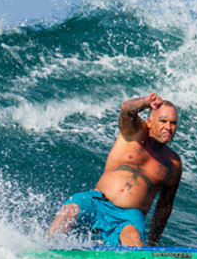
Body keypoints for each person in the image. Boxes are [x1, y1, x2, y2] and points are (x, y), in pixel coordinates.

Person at [48, 93, 182, 248]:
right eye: (163, 121)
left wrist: (152, 245)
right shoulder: (134, 131)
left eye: (173, 123)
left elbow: (164, 207)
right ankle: (47, 250)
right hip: (97, 200)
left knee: (132, 237)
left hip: (128, 217)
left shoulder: (173, 163)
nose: (168, 127)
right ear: (150, 122)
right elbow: (126, 109)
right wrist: (146, 102)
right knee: (70, 210)